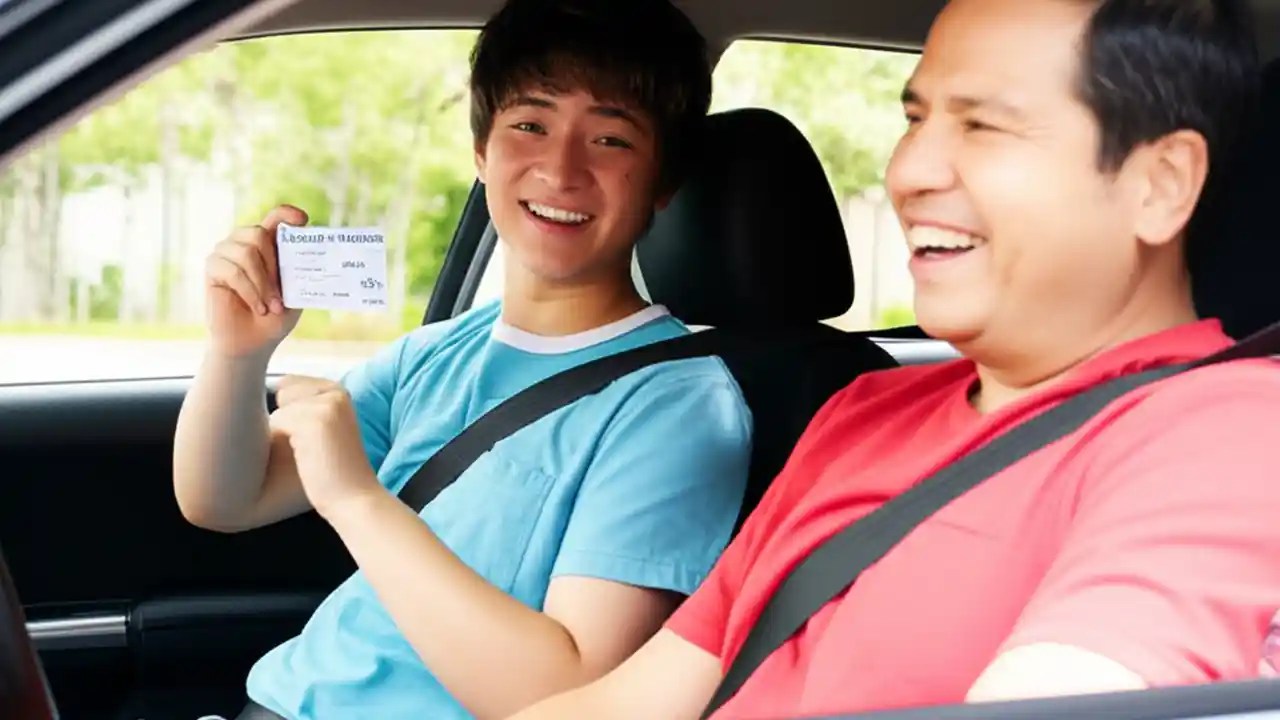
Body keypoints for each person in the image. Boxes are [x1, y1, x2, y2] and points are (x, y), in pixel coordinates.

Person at [510, 0, 1280, 718]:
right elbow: (631, 705)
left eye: (984, 127)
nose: (908, 172)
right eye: (915, 119)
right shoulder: (863, 413)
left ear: (1160, 182)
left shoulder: (1230, 433)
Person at [171, 1, 753, 718]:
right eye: (530, 126)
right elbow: (223, 499)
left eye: (610, 139)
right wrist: (239, 354)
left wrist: (357, 501)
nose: (561, 169)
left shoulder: (679, 407)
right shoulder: (435, 355)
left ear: (663, 183)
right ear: (482, 152)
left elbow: (575, 695)